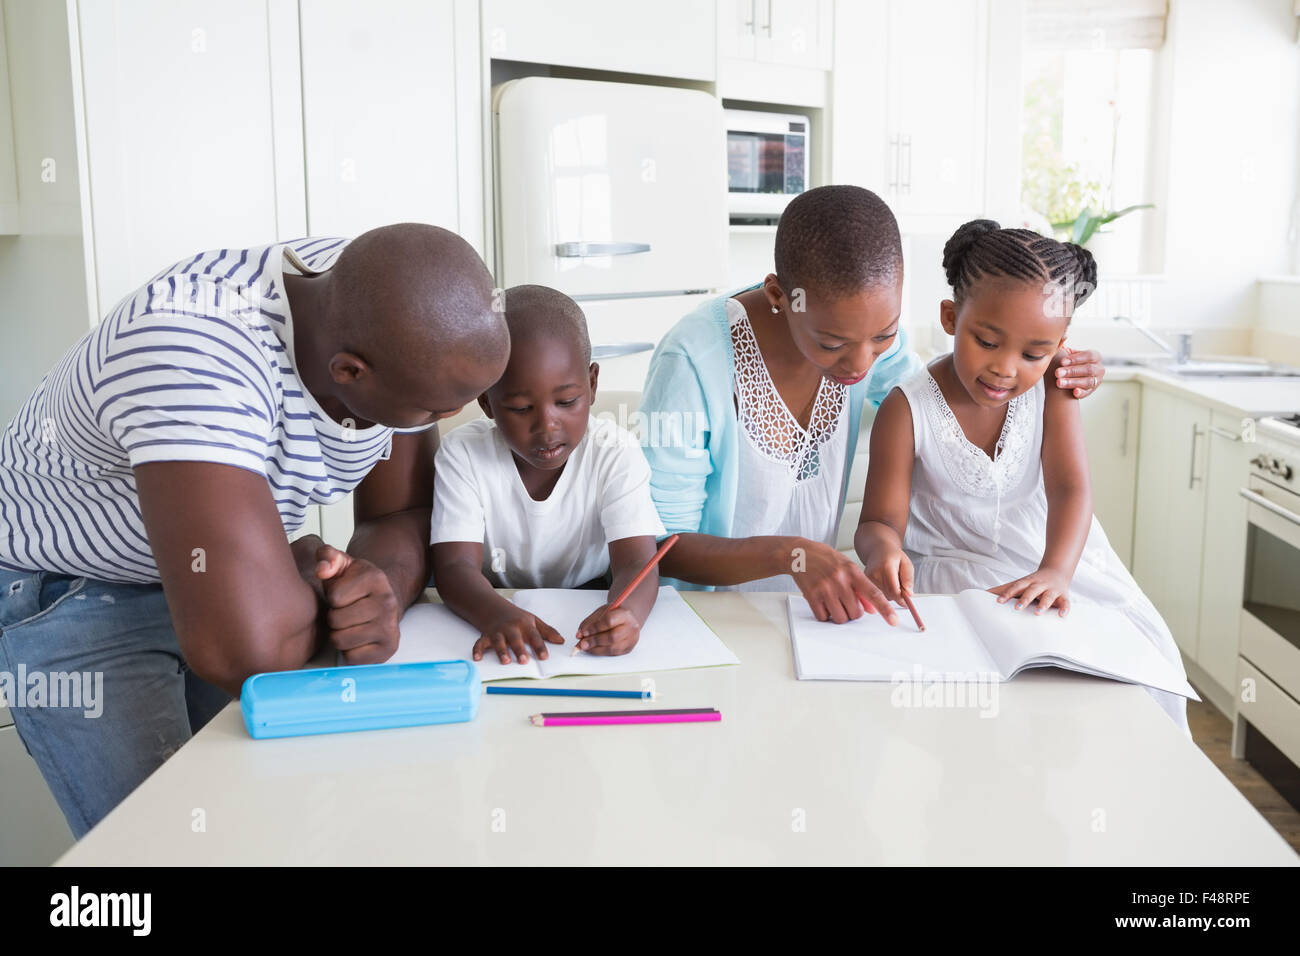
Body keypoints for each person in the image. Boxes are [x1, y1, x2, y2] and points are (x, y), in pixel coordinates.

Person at [0, 223, 510, 836]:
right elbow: (246, 649)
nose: (451, 418)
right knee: (157, 847)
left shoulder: (381, 298)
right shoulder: (189, 353)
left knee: (262, 826)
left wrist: (378, 592)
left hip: (226, 574)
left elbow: (396, 516)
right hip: (73, 588)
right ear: (350, 372)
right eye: (433, 410)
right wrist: (291, 586)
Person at [639, 186, 1108, 625]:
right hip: (701, 618)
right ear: (781, 296)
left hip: (810, 616)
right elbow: (661, 548)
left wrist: (1051, 367)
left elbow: (937, 404)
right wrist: (792, 554)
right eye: (831, 342)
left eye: (884, 335)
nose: (861, 364)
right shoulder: (692, 363)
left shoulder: (868, 339)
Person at [855, 219, 1189, 731]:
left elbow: (1070, 488)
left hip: (1050, 564)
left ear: (1059, 345)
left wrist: (1056, 571)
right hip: (958, 576)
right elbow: (878, 521)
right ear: (950, 317)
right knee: (978, 719)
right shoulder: (907, 408)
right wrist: (885, 553)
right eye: (987, 342)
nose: (1006, 368)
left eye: (1034, 353)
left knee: (1114, 690)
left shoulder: (1051, 389)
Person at [430, 285, 665, 665]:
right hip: (492, 598)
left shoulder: (615, 452)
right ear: (487, 402)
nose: (547, 426)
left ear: (592, 385)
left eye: (567, 402)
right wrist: (495, 613)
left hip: (589, 599)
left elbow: (636, 563)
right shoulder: (462, 454)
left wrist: (629, 614)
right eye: (521, 408)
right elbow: (454, 568)